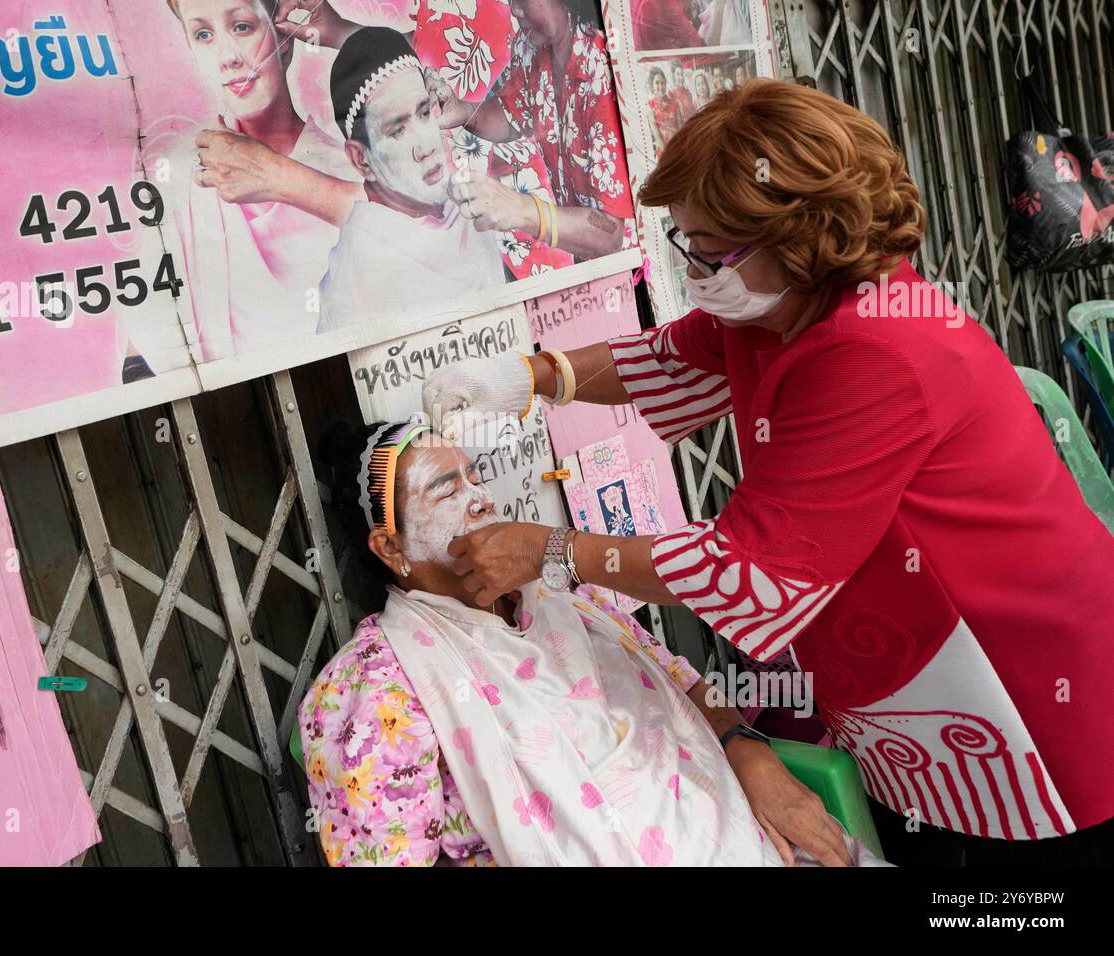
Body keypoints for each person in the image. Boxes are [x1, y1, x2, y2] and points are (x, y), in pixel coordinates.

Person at [419, 78, 1114, 866]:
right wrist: (533, 377)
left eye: (711, 252)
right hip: (911, 671)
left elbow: (747, 569)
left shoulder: (877, 353)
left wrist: (550, 551)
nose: (694, 271)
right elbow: (676, 356)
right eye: (687, 245)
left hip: (1027, 677)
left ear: (800, 236)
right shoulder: (782, 307)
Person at [300, 419, 881, 866]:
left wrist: (751, 755)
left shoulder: (570, 602)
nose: (479, 497)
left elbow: (680, 683)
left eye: (476, 477)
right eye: (446, 490)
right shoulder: (373, 688)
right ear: (392, 549)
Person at [124, 0, 363, 374]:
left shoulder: (350, 167)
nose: (227, 57)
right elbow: (143, 341)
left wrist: (277, 176)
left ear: (284, 32)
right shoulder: (177, 176)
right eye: (203, 35)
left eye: (242, 27)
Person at [315, 28, 505, 333]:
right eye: (398, 130)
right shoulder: (356, 277)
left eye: (425, 113)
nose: (425, 146)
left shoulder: (468, 209)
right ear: (361, 159)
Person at [433, 0, 637, 262]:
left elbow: (611, 234)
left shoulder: (603, 69)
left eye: (524, 0)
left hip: (632, 271)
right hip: (591, 266)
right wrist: (462, 112)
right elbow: (511, 115)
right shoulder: (530, 46)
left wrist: (521, 209)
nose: (515, 11)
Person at [645, 67, 682, 151]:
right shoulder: (650, 108)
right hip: (664, 152)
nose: (660, 86)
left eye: (663, 83)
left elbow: (680, 128)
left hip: (678, 146)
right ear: (652, 85)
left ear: (666, 84)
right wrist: (668, 155)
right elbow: (657, 136)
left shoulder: (675, 103)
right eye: (657, 83)